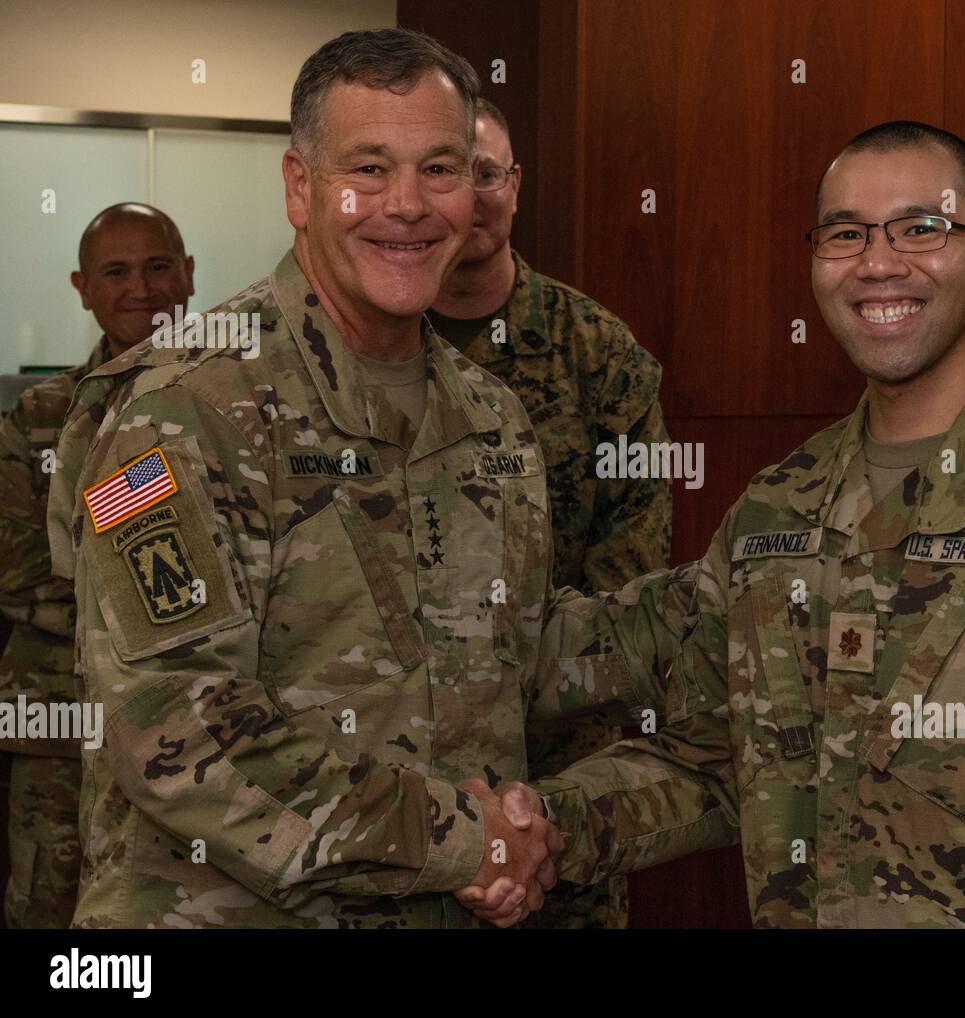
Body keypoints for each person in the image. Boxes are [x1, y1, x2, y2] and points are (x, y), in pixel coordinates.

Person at [459, 121, 965, 929]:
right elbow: (712, 756)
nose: (879, 262)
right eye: (846, 234)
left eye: (923, 227)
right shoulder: (775, 510)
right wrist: (543, 829)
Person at [45, 28, 673, 929]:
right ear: (301, 187)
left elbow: (512, 653)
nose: (408, 206)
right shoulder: (181, 408)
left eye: (441, 169)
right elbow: (181, 731)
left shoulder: (491, 417)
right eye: (368, 170)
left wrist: (735, 608)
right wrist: (470, 839)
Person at [428, 98, 671, 929]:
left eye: (488, 173)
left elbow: (634, 560)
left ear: (516, 186)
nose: (475, 195)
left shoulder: (598, 352)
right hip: (398, 767)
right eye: (451, 173)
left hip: (557, 770)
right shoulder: (371, 343)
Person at [0, 203, 194, 927]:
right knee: (46, 905)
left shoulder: (239, 402)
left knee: (168, 907)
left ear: (190, 275)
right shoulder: (43, 414)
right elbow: (14, 565)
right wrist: (148, 599)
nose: (139, 288)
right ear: (83, 286)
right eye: (116, 271)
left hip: (200, 722)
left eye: (157, 266)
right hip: (58, 716)